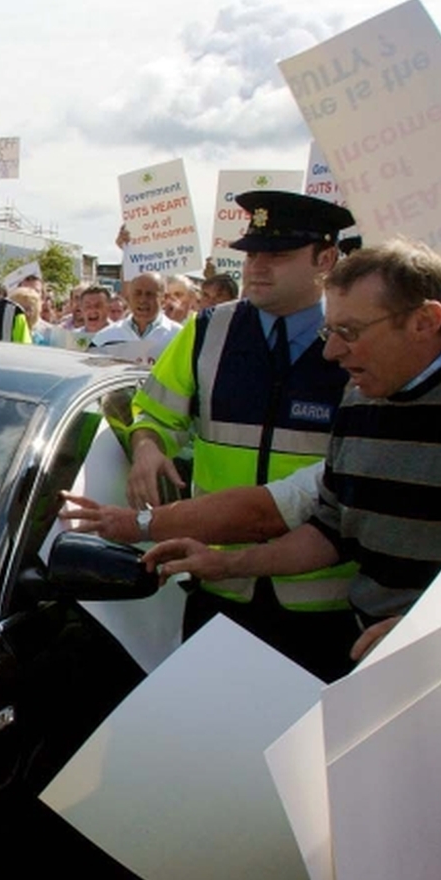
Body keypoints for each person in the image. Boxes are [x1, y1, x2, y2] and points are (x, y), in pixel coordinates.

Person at [146, 240, 441, 664]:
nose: (330, 352)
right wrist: (228, 564)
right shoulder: (359, 401)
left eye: (349, 332)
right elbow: (331, 529)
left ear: (425, 321)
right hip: (374, 659)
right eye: (330, 331)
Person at [125, 189, 358, 680]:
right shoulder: (207, 329)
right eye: (251, 253)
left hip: (328, 603)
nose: (256, 267)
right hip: (219, 587)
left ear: (326, 258)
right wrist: (146, 447)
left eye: (277, 255)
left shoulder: (358, 335)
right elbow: (153, 414)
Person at [91, 271, 179, 357]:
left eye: (149, 294)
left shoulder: (178, 336)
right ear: (128, 297)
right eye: (137, 293)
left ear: (164, 298)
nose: (142, 300)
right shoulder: (105, 337)